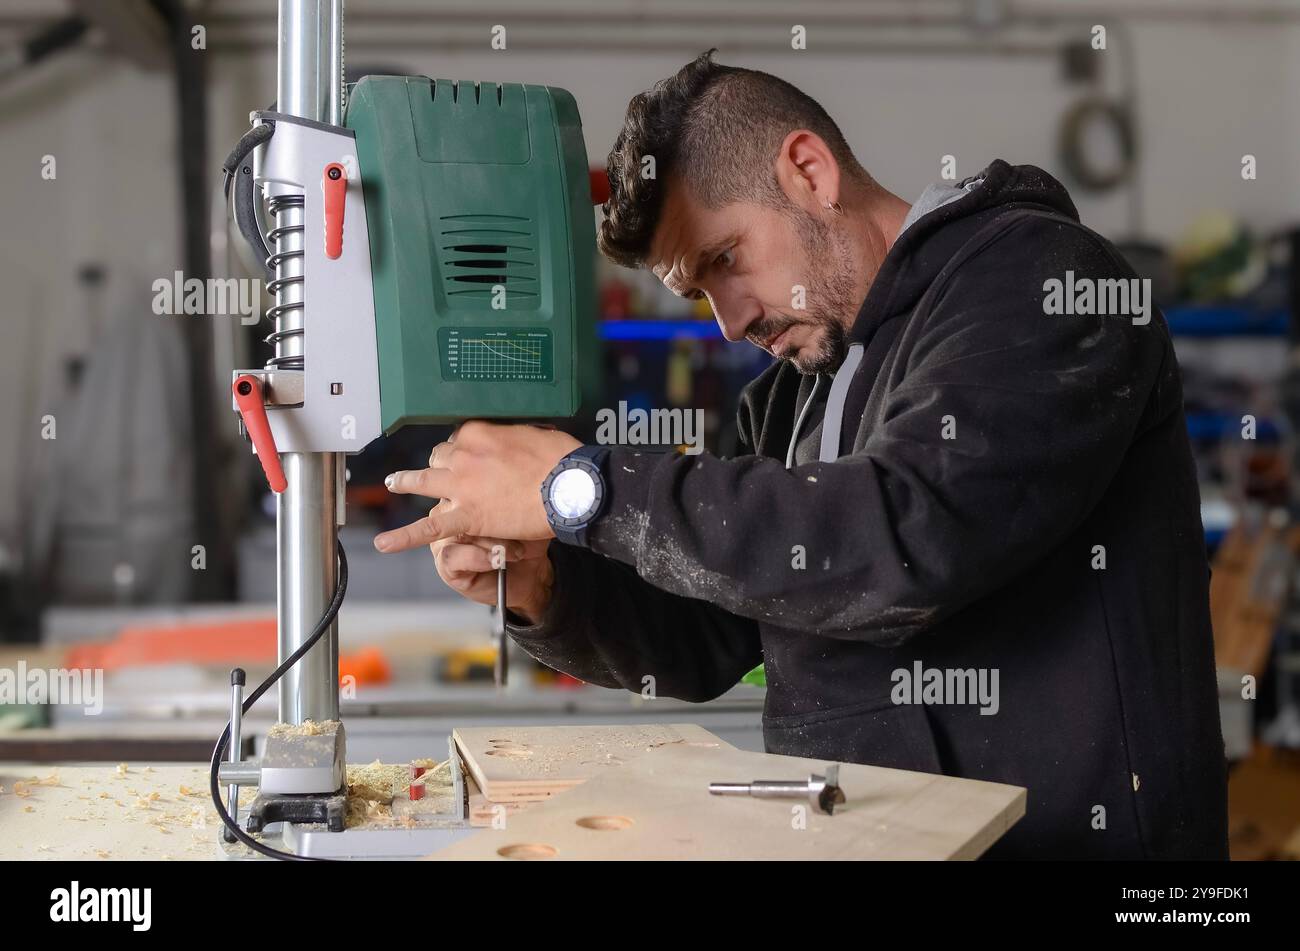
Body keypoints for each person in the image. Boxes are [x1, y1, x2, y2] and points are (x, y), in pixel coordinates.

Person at [374, 51, 1228, 859]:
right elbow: (710, 631)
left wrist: (582, 490)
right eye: (699, 293)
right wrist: (544, 586)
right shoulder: (795, 397)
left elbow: (908, 535)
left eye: (725, 260)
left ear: (809, 173)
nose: (729, 322)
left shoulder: (1038, 280)